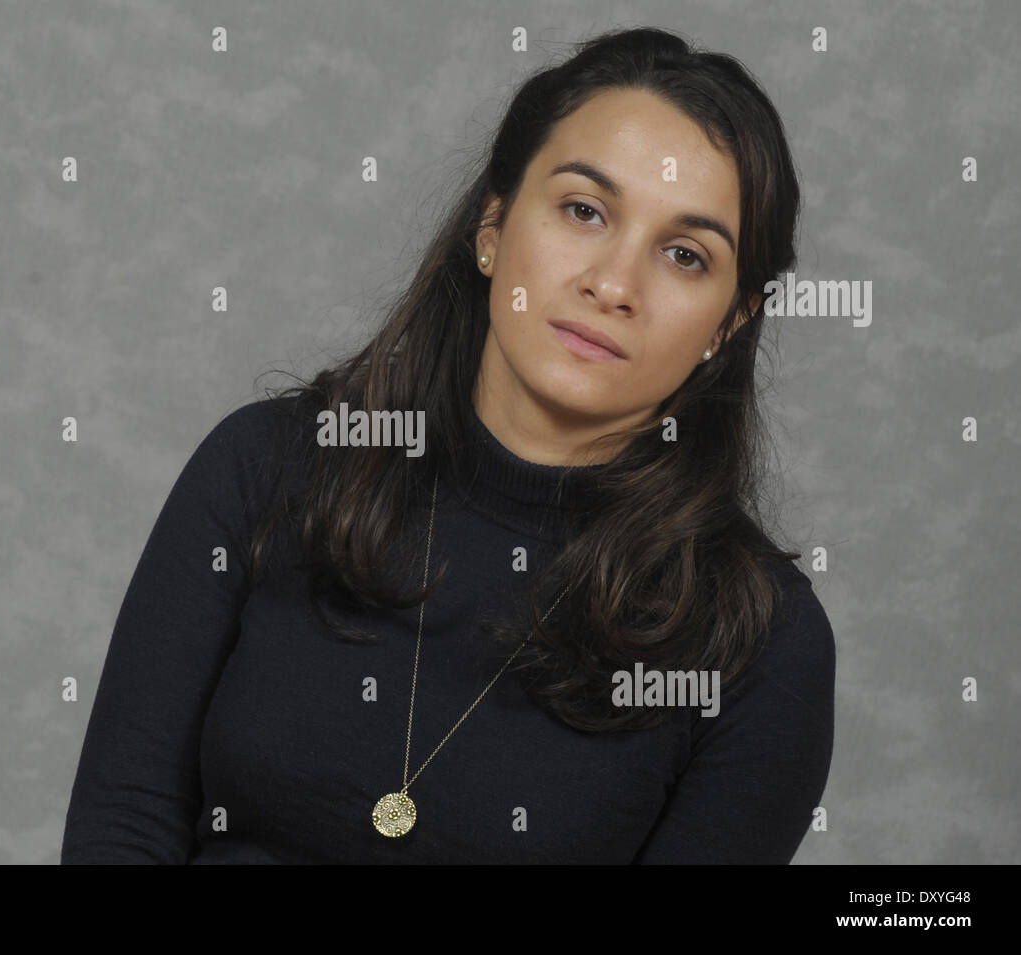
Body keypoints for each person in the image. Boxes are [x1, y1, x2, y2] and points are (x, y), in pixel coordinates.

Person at [61, 25, 835, 864]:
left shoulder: (761, 644)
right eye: (584, 210)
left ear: (729, 320)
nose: (614, 284)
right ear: (492, 225)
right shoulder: (265, 468)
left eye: (684, 254)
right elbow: (123, 826)